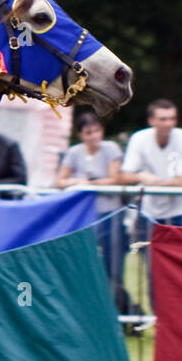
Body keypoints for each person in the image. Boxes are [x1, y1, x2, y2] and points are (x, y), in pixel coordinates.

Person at [57, 113, 124, 279]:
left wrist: (89, 184)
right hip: (83, 215)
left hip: (109, 212)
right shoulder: (74, 152)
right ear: (81, 135)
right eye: (88, 132)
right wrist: (80, 181)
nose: (94, 136)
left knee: (112, 263)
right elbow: (59, 181)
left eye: (97, 130)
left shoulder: (110, 148)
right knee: (83, 261)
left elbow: (115, 179)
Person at [120, 99, 182, 225]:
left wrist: (156, 184)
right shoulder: (139, 138)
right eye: (163, 119)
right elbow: (123, 176)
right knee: (145, 245)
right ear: (151, 121)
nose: (169, 123)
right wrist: (141, 176)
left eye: (172, 118)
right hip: (149, 212)